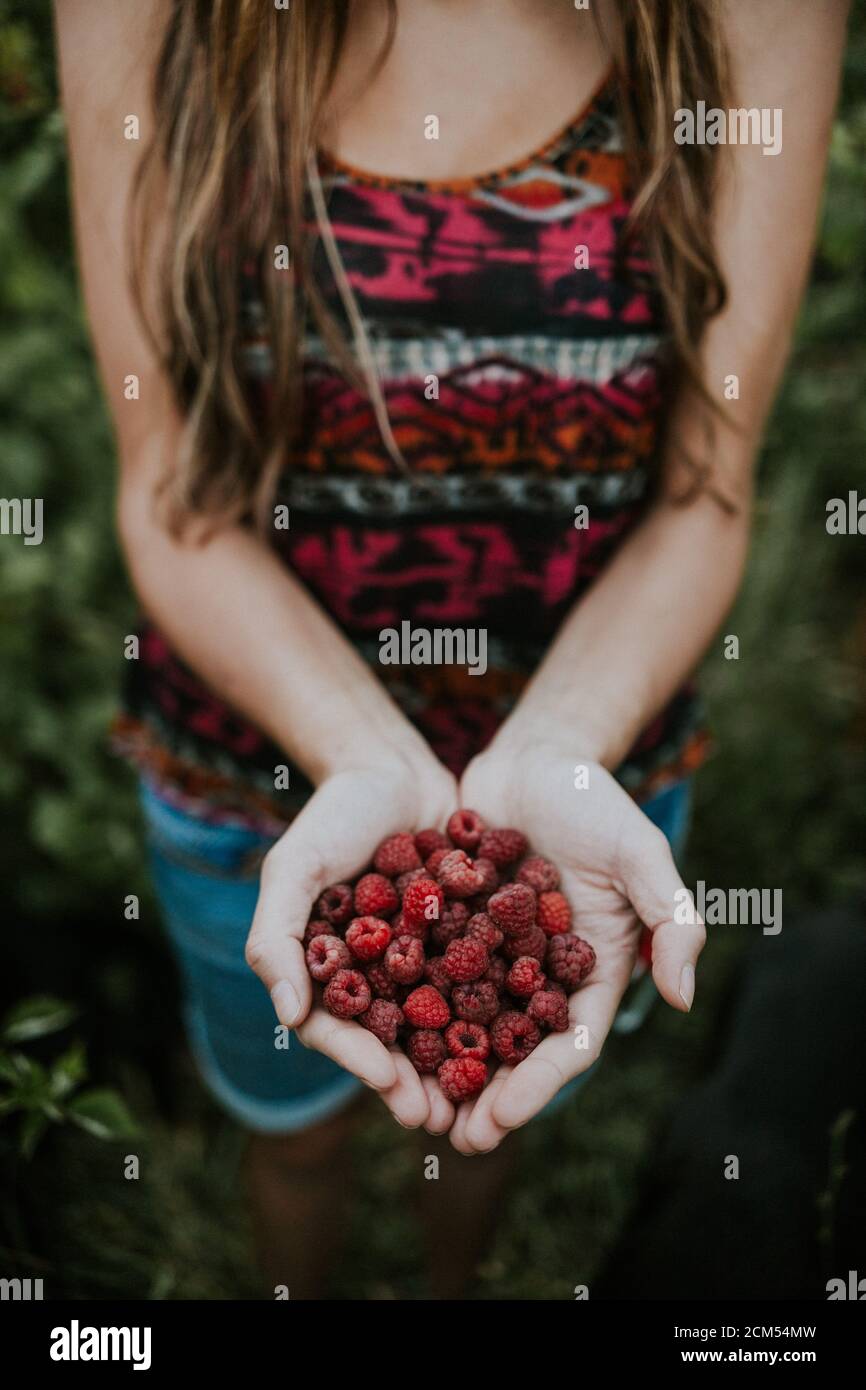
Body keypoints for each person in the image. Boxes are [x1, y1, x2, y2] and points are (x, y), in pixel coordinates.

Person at [55, 0, 849, 1296]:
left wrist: (552, 745)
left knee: (481, 1129)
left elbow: (704, 491)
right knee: (294, 1139)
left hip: (584, 758)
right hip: (242, 770)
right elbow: (168, 489)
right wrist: (365, 752)